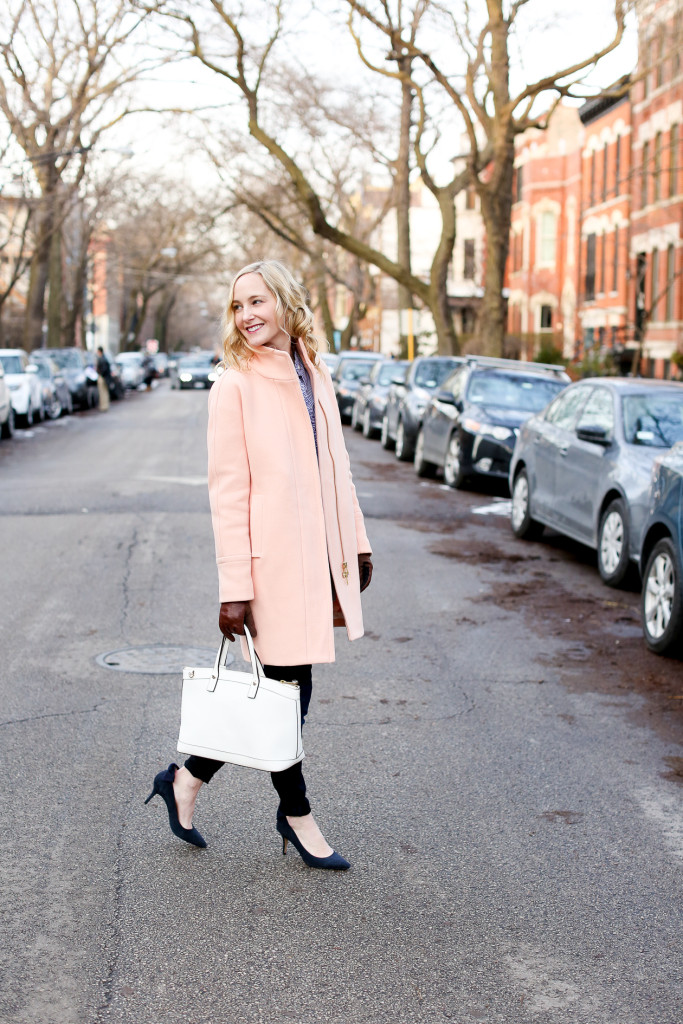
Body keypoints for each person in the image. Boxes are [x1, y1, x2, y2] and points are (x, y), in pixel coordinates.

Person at [146, 259, 373, 870]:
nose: (246, 316)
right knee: (285, 694)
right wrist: (235, 587)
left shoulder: (313, 370)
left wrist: (356, 541)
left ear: (285, 301)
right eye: (237, 306)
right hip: (269, 567)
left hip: (317, 559)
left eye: (257, 302)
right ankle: (295, 814)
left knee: (287, 693)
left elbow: (337, 465)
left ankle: (186, 778)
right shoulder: (234, 384)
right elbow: (229, 493)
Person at [96, 346, 111, 412]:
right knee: (105, 392)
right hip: (105, 378)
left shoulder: (101, 359)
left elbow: (103, 369)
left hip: (102, 377)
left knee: (102, 393)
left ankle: (103, 406)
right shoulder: (105, 358)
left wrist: (101, 375)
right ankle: (105, 405)